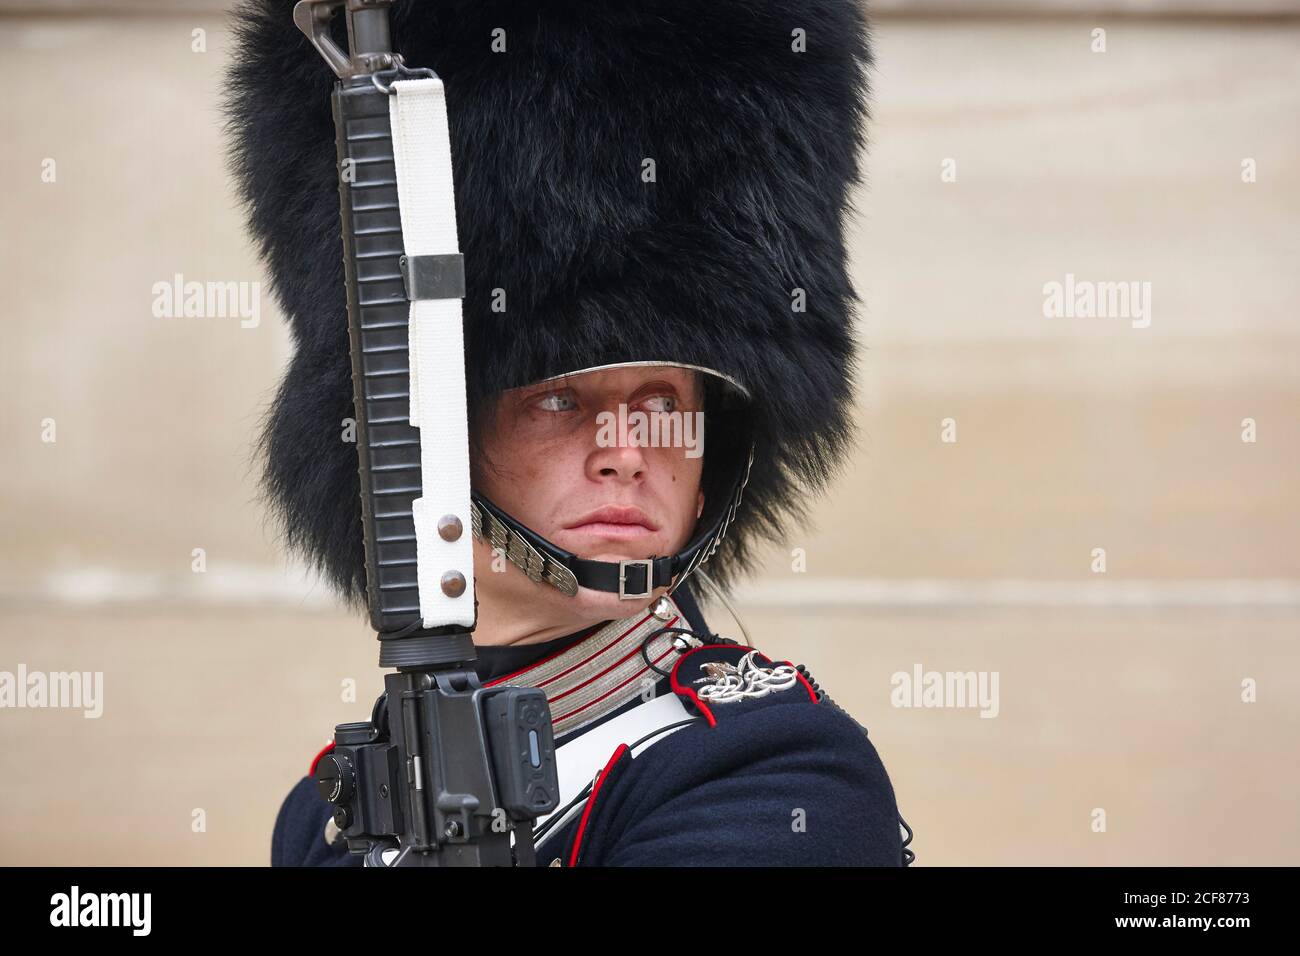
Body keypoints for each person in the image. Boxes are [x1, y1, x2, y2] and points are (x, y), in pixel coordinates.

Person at [226, 0, 913, 866]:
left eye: (664, 406)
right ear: (437, 433)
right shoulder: (327, 817)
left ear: (711, 464)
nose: (626, 450)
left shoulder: (776, 773)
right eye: (560, 401)